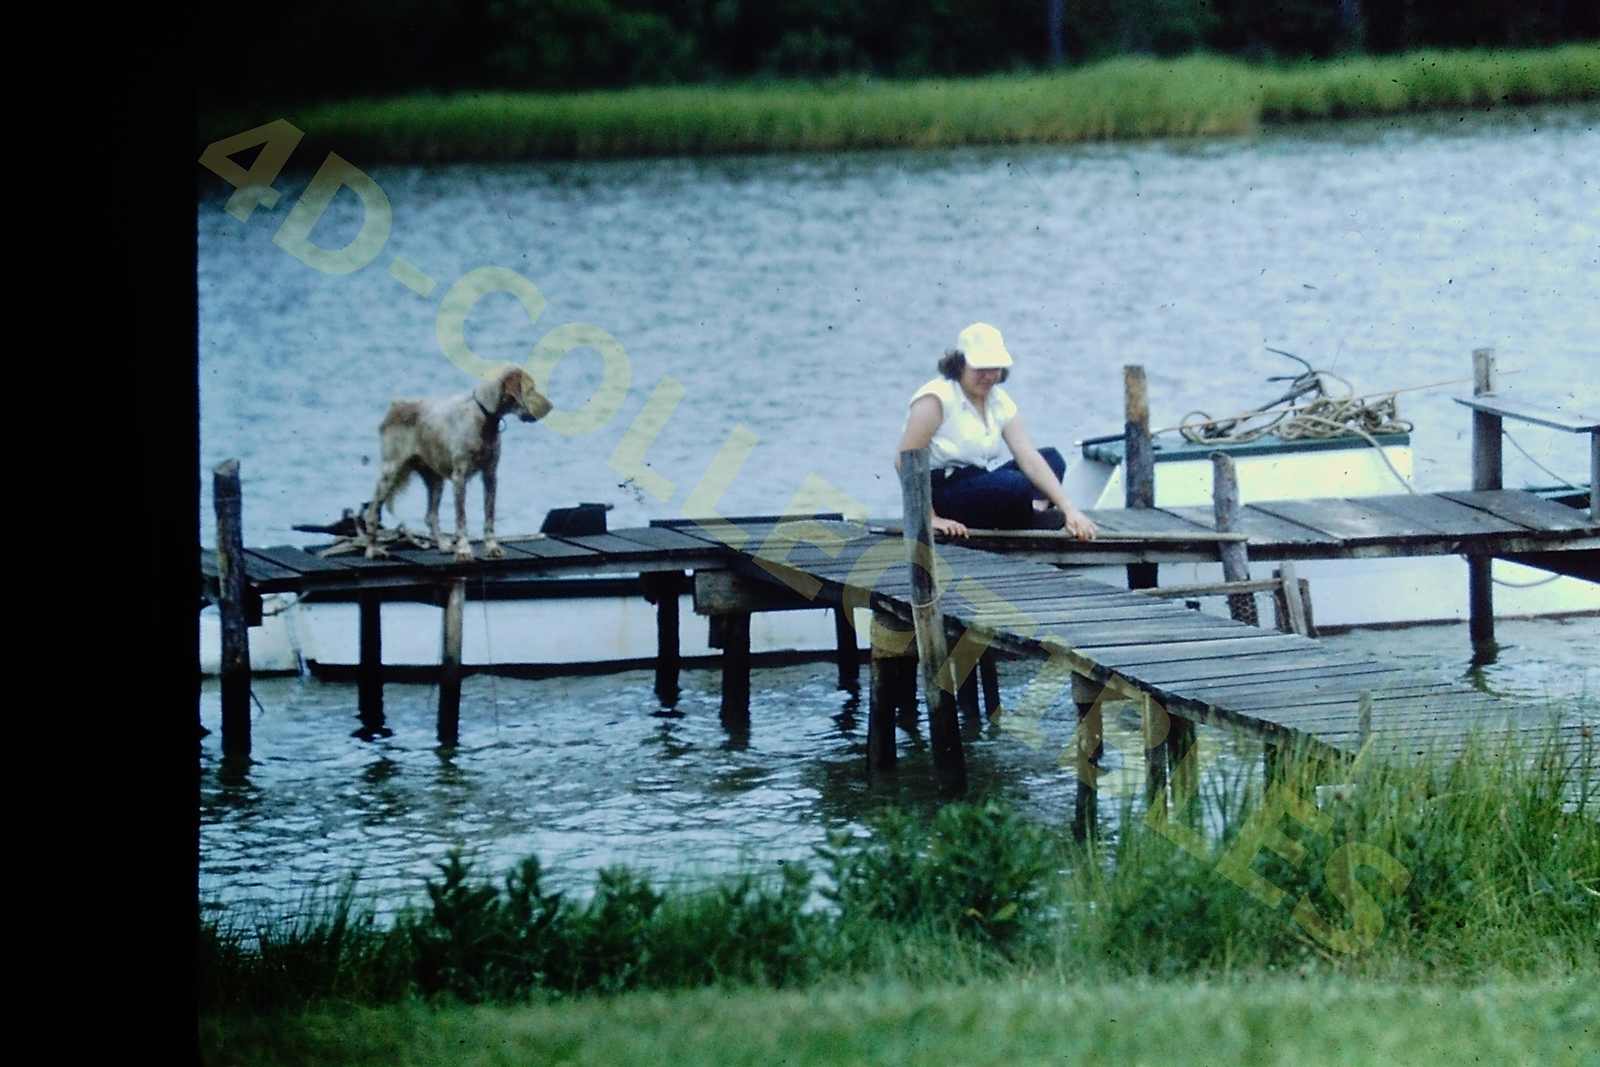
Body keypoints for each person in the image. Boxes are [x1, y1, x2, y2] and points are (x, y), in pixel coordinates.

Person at [896, 322, 1097, 540]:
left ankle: (1029, 514)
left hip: (978, 482)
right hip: (942, 493)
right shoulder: (935, 399)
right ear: (960, 364)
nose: (989, 376)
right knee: (1013, 484)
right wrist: (930, 518)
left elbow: (1027, 455)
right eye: (981, 368)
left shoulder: (998, 400)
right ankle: (1028, 517)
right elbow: (903, 461)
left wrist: (1070, 509)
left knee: (1051, 458)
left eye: (995, 368)